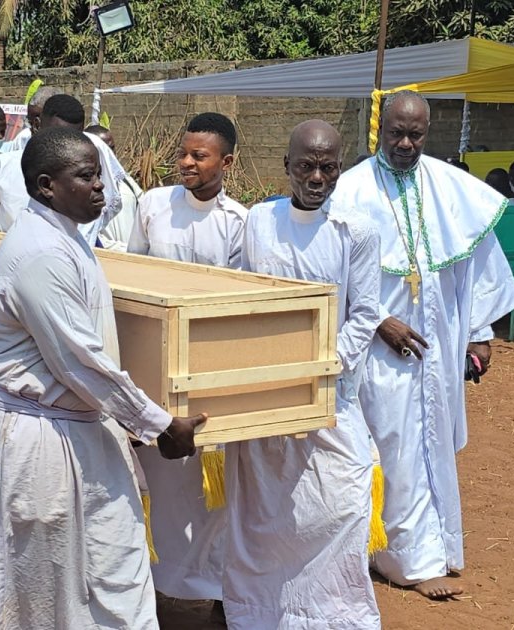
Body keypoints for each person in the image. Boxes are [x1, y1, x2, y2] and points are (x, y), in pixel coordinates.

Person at [0, 127, 205, 628]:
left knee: (104, 569)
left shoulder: (66, 239)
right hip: (40, 442)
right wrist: (159, 425)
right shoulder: (41, 253)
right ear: (46, 186)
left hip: (75, 430)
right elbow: (81, 360)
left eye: (99, 175)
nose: (101, 187)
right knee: (47, 581)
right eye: (86, 177)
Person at [330, 90, 514, 599]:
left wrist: (480, 334)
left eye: (416, 134)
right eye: (396, 133)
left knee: (430, 444)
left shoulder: (448, 186)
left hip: (436, 345)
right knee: (388, 446)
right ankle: (394, 555)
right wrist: (380, 323)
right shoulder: (348, 190)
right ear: (380, 130)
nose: (406, 144)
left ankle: (430, 550)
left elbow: (477, 261)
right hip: (375, 350)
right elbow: (334, 277)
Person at [225, 120, 381, 627]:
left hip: (331, 398)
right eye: (307, 166)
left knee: (345, 499)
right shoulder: (258, 221)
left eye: (329, 167)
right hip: (265, 398)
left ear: (341, 166)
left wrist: (324, 365)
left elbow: (365, 313)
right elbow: (239, 294)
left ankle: (333, 616)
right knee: (264, 517)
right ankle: (260, 615)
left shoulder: (356, 230)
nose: (317, 177)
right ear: (286, 166)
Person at [127, 112, 247, 612]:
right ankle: (156, 578)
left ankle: (206, 585)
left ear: (227, 162)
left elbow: (241, 300)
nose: (186, 162)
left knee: (207, 483)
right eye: (183, 152)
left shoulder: (239, 223)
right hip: (155, 365)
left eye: (200, 155)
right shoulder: (152, 205)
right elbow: (130, 269)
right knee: (160, 474)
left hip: (210, 365)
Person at [0, 94, 126, 245]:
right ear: (37, 126)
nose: (65, 146)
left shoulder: (86, 175)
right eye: (56, 136)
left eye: (74, 137)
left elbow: (102, 213)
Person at [86, 124, 141, 252]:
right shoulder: (84, 188)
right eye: (104, 149)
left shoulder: (126, 181)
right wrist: (126, 250)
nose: (109, 154)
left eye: (112, 148)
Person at [3, 86, 59, 153]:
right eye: (30, 122)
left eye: (38, 121)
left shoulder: (65, 142)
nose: (34, 128)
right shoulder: (24, 137)